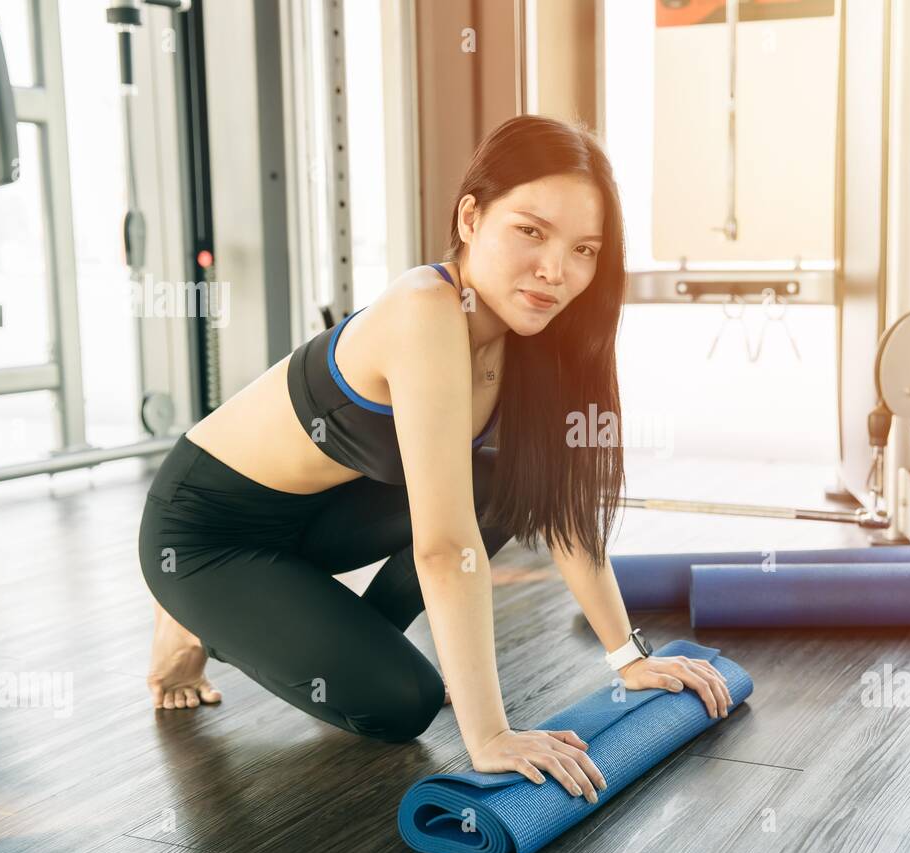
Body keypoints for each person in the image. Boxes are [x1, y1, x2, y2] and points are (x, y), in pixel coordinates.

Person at [138, 114, 731, 802]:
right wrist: (491, 736)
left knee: (508, 483)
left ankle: (290, 616)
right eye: (531, 232)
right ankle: (192, 610)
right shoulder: (424, 309)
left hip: (311, 524)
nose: (555, 271)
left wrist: (629, 658)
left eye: (584, 249)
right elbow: (446, 548)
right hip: (209, 531)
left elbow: (562, 511)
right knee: (402, 703)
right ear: (471, 217)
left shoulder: (532, 334)